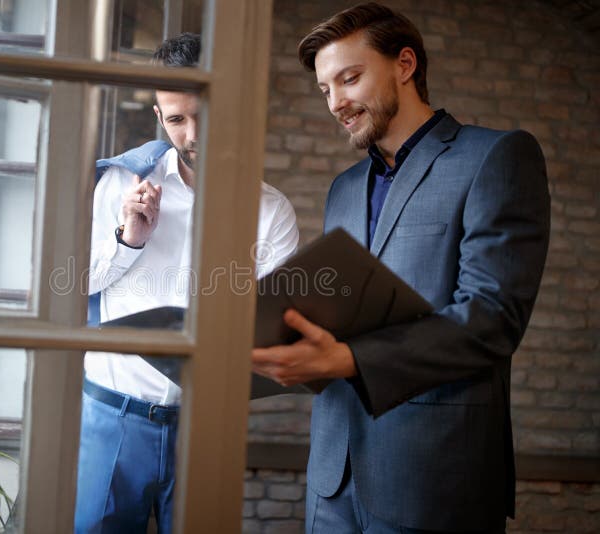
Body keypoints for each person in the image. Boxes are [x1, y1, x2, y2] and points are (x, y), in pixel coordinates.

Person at [251, 3, 550, 533]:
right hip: (332, 479)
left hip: (435, 477)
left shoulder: (497, 157)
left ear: (404, 65)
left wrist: (346, 359)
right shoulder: (342, 189)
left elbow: (492, 318)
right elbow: (347, 315)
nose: (336, 102)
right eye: (325, 90)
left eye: (350, 78)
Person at [76, 32, 299, 534]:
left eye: (206, 114)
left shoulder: (271, 212)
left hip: (207, 430)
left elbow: (274, 329)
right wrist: (129, 238)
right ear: (159, 117)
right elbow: (77, 286)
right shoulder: (119, 184)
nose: (194, 133)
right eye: (176, 119)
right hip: (112, 419)